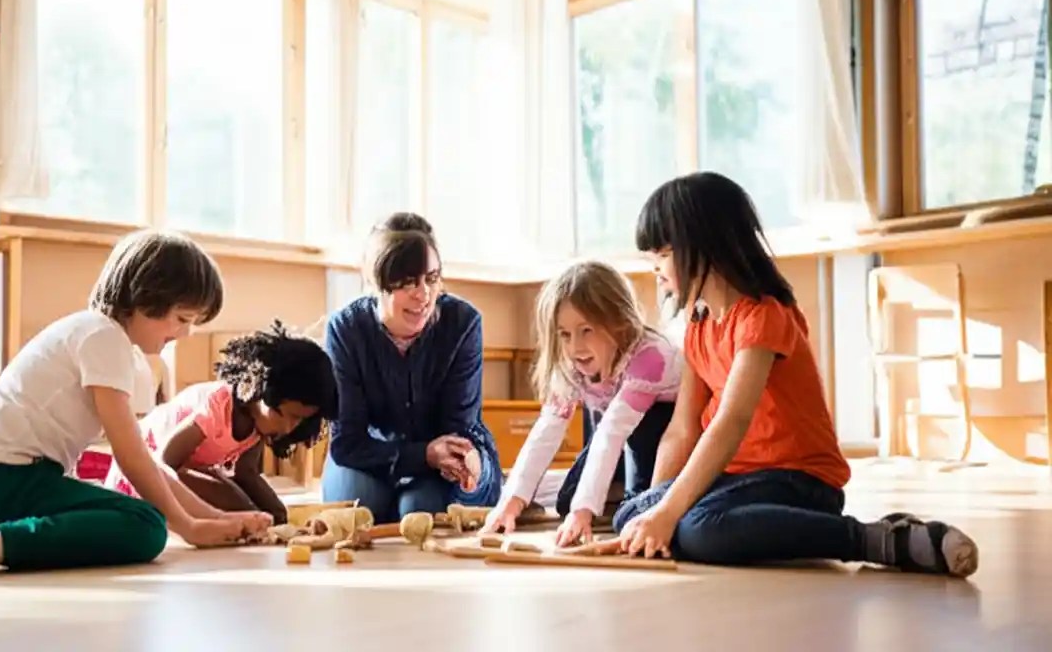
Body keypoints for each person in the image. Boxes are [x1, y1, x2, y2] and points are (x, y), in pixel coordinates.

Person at [615, 171, 978, 577]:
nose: (656, 270)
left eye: (661, 255)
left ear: (705, 246)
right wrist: (653, 511)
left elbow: (731, 421)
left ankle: (876, 538)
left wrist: (667, 512)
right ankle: (674, 517)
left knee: (699, 528)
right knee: (630, 513)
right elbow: (681, 431)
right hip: (740, 482)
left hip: (799, 482)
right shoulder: (698, 328)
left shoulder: (764, 316)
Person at [0, 230, 271, 588]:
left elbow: (145, 459)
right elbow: (130, 459)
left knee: (135, 513)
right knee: (146, 526)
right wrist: (189, 527)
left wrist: (213, 518)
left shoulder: (120, 352)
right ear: (148, 297)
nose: (185, 332)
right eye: (182, 318)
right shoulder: (102, 336)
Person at [481, 261, 681, 547]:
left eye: (586, 330)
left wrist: (583, 510)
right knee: (566, 503)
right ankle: (614, 492)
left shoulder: (649, 357)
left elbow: (611, 431)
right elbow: (546, 431)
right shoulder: (572, 364)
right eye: (564, 334)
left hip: (662, 437)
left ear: (619, 324)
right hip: (621, 438)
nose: (575, 346)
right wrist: (511, 501)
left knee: (611, 506)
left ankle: (635, 495)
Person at [320, 213, 502, 523]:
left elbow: (458, 430)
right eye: (407, 282)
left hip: (445, 457)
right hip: (371, 453)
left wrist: (436, 458)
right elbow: (348, 441)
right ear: (378, 281)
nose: (423, 295)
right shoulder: (345, 329)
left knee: (420, 510)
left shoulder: (463, 323)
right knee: (358, 503)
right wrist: (419, 455)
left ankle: (404, 498)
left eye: (431, 278)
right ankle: (392, 496)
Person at [103, 321, 337, 525]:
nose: (287, 428)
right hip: (145, 472)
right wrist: (248, 512)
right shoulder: (217, 407)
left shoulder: (258, 424)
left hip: (178, 473)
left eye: (299, 420)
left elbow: (246, 473)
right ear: (259, 392)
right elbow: (165, 464)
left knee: (250, 505)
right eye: (282, 414)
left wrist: (277, 513)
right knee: (235, 501)